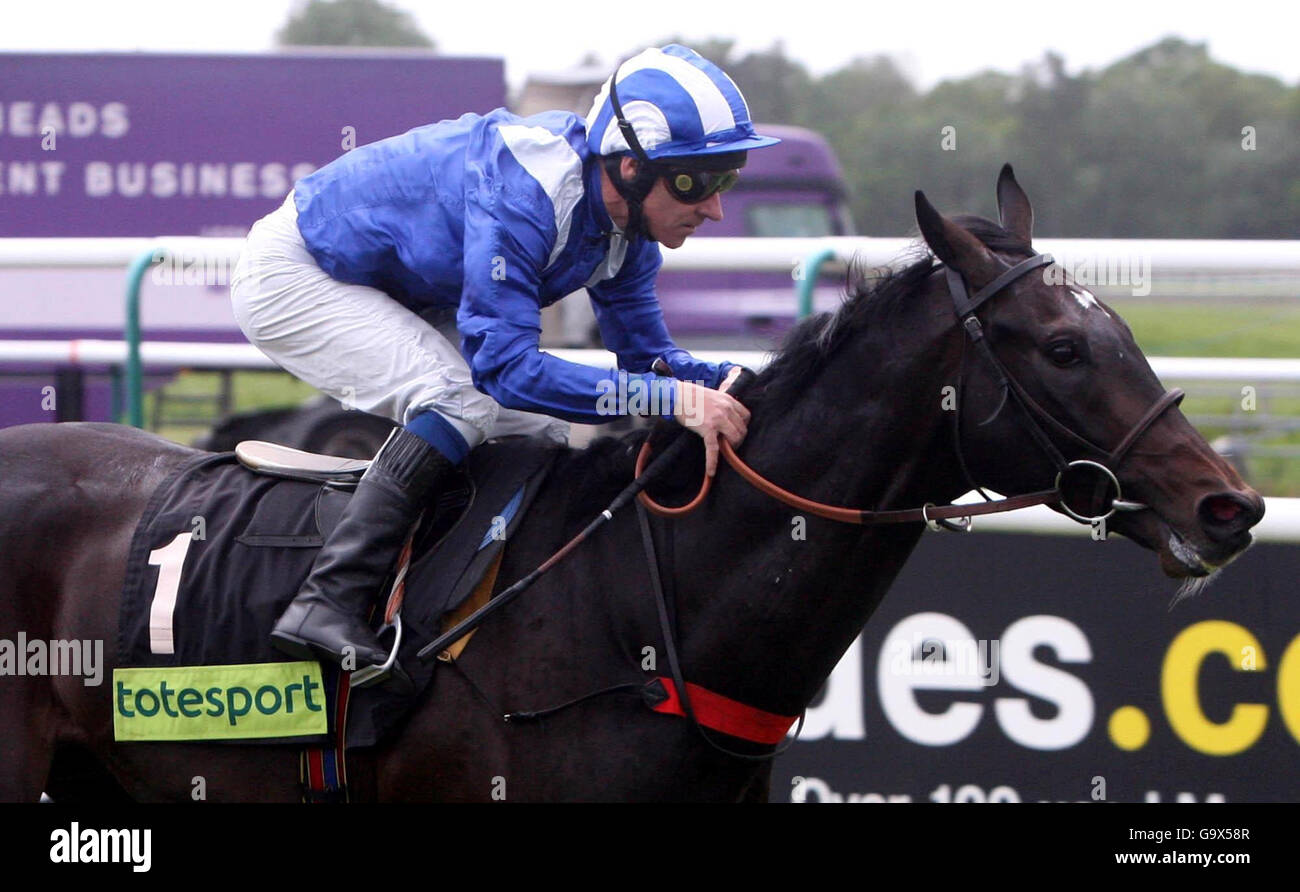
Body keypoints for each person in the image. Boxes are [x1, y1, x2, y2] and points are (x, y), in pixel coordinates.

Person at [229, 44, 780, 686]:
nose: (713, 207)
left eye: (727, 178)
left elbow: (648, 360)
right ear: (631, 168)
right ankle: (327, 600)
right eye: (698, 181)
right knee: (463, 400)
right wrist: (673, 402)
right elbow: (507, 373)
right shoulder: (526, 192)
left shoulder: (630, 231)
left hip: (399, 288)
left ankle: (452, 600)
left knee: (532, 430)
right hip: (298, 272)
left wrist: (726, 382)